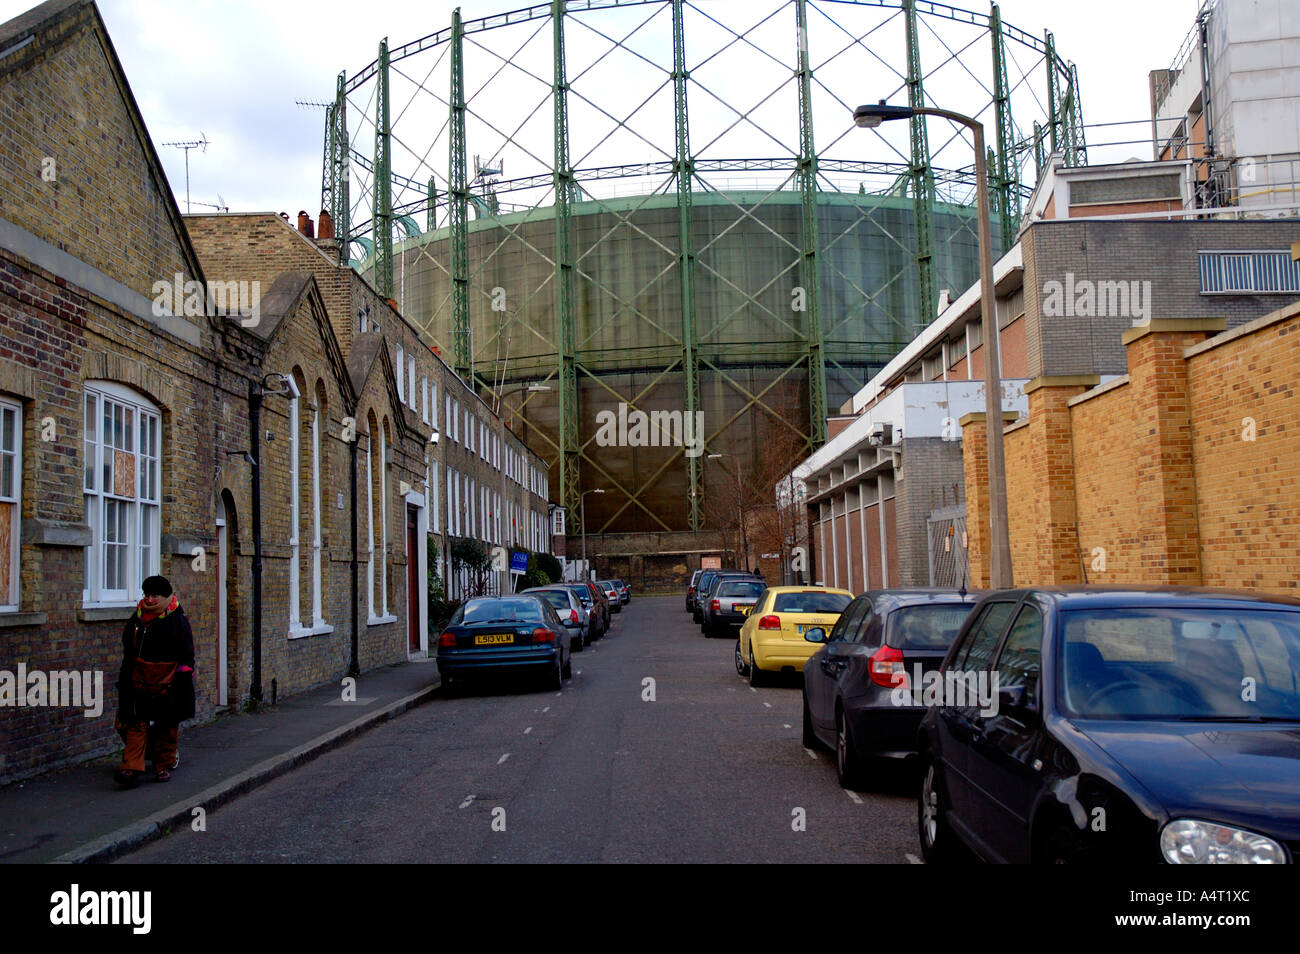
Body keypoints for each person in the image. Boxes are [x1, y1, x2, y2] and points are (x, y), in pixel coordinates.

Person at [113, 575, 195, 787]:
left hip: (167, 681)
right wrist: (125, 677)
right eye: (147, 595)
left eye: (154, 596)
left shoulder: (177, 620)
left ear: (167, 597)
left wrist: (181, 679)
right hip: (138, 679)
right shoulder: (137, 619)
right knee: (134, 722)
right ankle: (131, 769)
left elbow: (186, 655)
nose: (149, 600)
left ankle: (163, 764)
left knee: (165, 724)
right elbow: (128, 650)